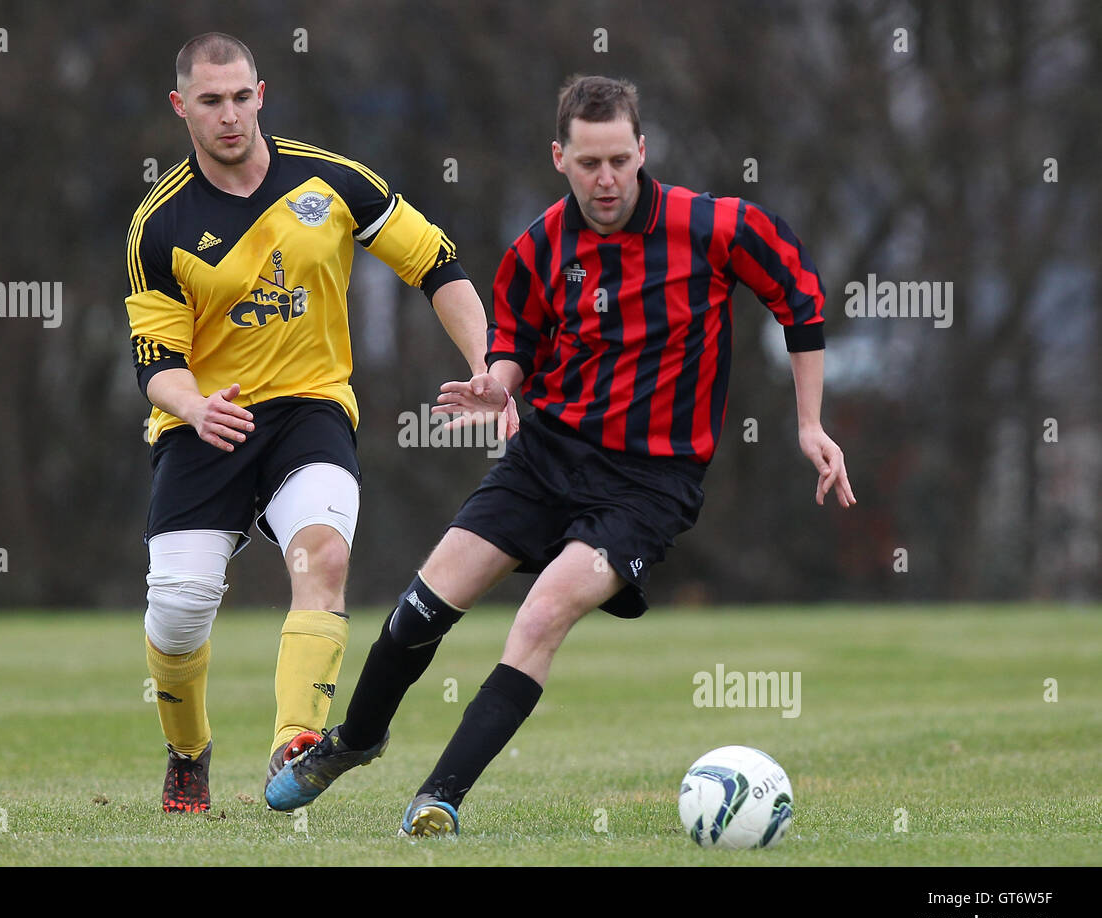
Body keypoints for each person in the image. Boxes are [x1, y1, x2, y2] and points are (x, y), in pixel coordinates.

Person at [265, 74, 856, 835]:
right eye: (588, 163)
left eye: (619, 159)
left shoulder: (715, 228)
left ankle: (439, 796)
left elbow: (800, 297)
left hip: (649, 482)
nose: (606, 179)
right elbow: (515, 342)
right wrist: (498, 385)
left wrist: (810, 423)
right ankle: (354, 740)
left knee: (541, 615)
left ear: (643, 150)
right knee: (421, 609)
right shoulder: (539, 247)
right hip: (545, 456)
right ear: (559, 157)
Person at [125, 32, 502, 812]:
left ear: (261, 94)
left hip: (311, 410)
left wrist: (486, 365)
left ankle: (295, 742)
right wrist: (194, 405)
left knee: (322, 557)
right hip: (207, 425)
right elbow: (155, 363)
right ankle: (188, 751)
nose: (229, 116)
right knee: (180, 607)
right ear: (180, 108)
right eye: (210, 102)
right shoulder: (158, 225)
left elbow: (435, 262)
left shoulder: (331, 181)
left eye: (241, 98)